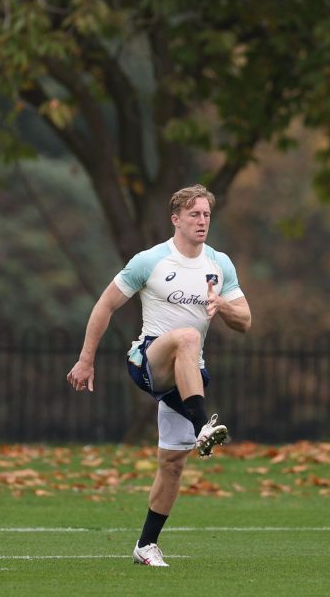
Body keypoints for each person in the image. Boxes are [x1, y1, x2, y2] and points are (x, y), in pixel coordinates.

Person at [66, 183, 252, 568]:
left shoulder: (220, 264)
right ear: (176, 219)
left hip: (188, 376)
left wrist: (222, 306)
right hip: (148, 361)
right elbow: (105, 305)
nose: (202, 222)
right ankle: (204, 425)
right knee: (185, 336)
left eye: (206, 215)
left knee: (172, 464)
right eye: (194, 215)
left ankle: (145, 546)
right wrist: (86, 360)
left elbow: (245, 321)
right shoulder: (150, 261)